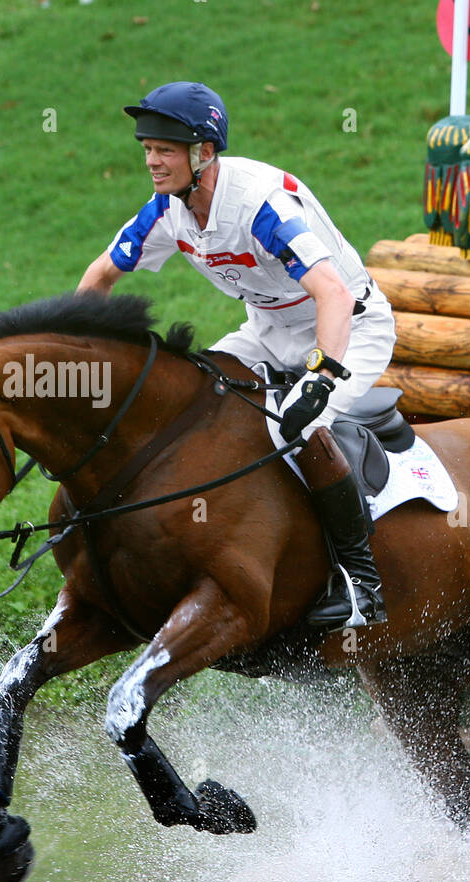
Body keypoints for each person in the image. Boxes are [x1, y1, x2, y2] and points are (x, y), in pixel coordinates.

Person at [77, 80, 393, 630]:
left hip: (351, 327)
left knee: (296, 424)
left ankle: (361, 582)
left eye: (164, 150)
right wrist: (80, 354)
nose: (151, 160)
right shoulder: (167, 209)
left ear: (203, 152)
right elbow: (101, 275)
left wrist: (321, 376)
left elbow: (333, 295)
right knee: (200, 399)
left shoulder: (260, 206)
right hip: (268, 327)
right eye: (147, 148)